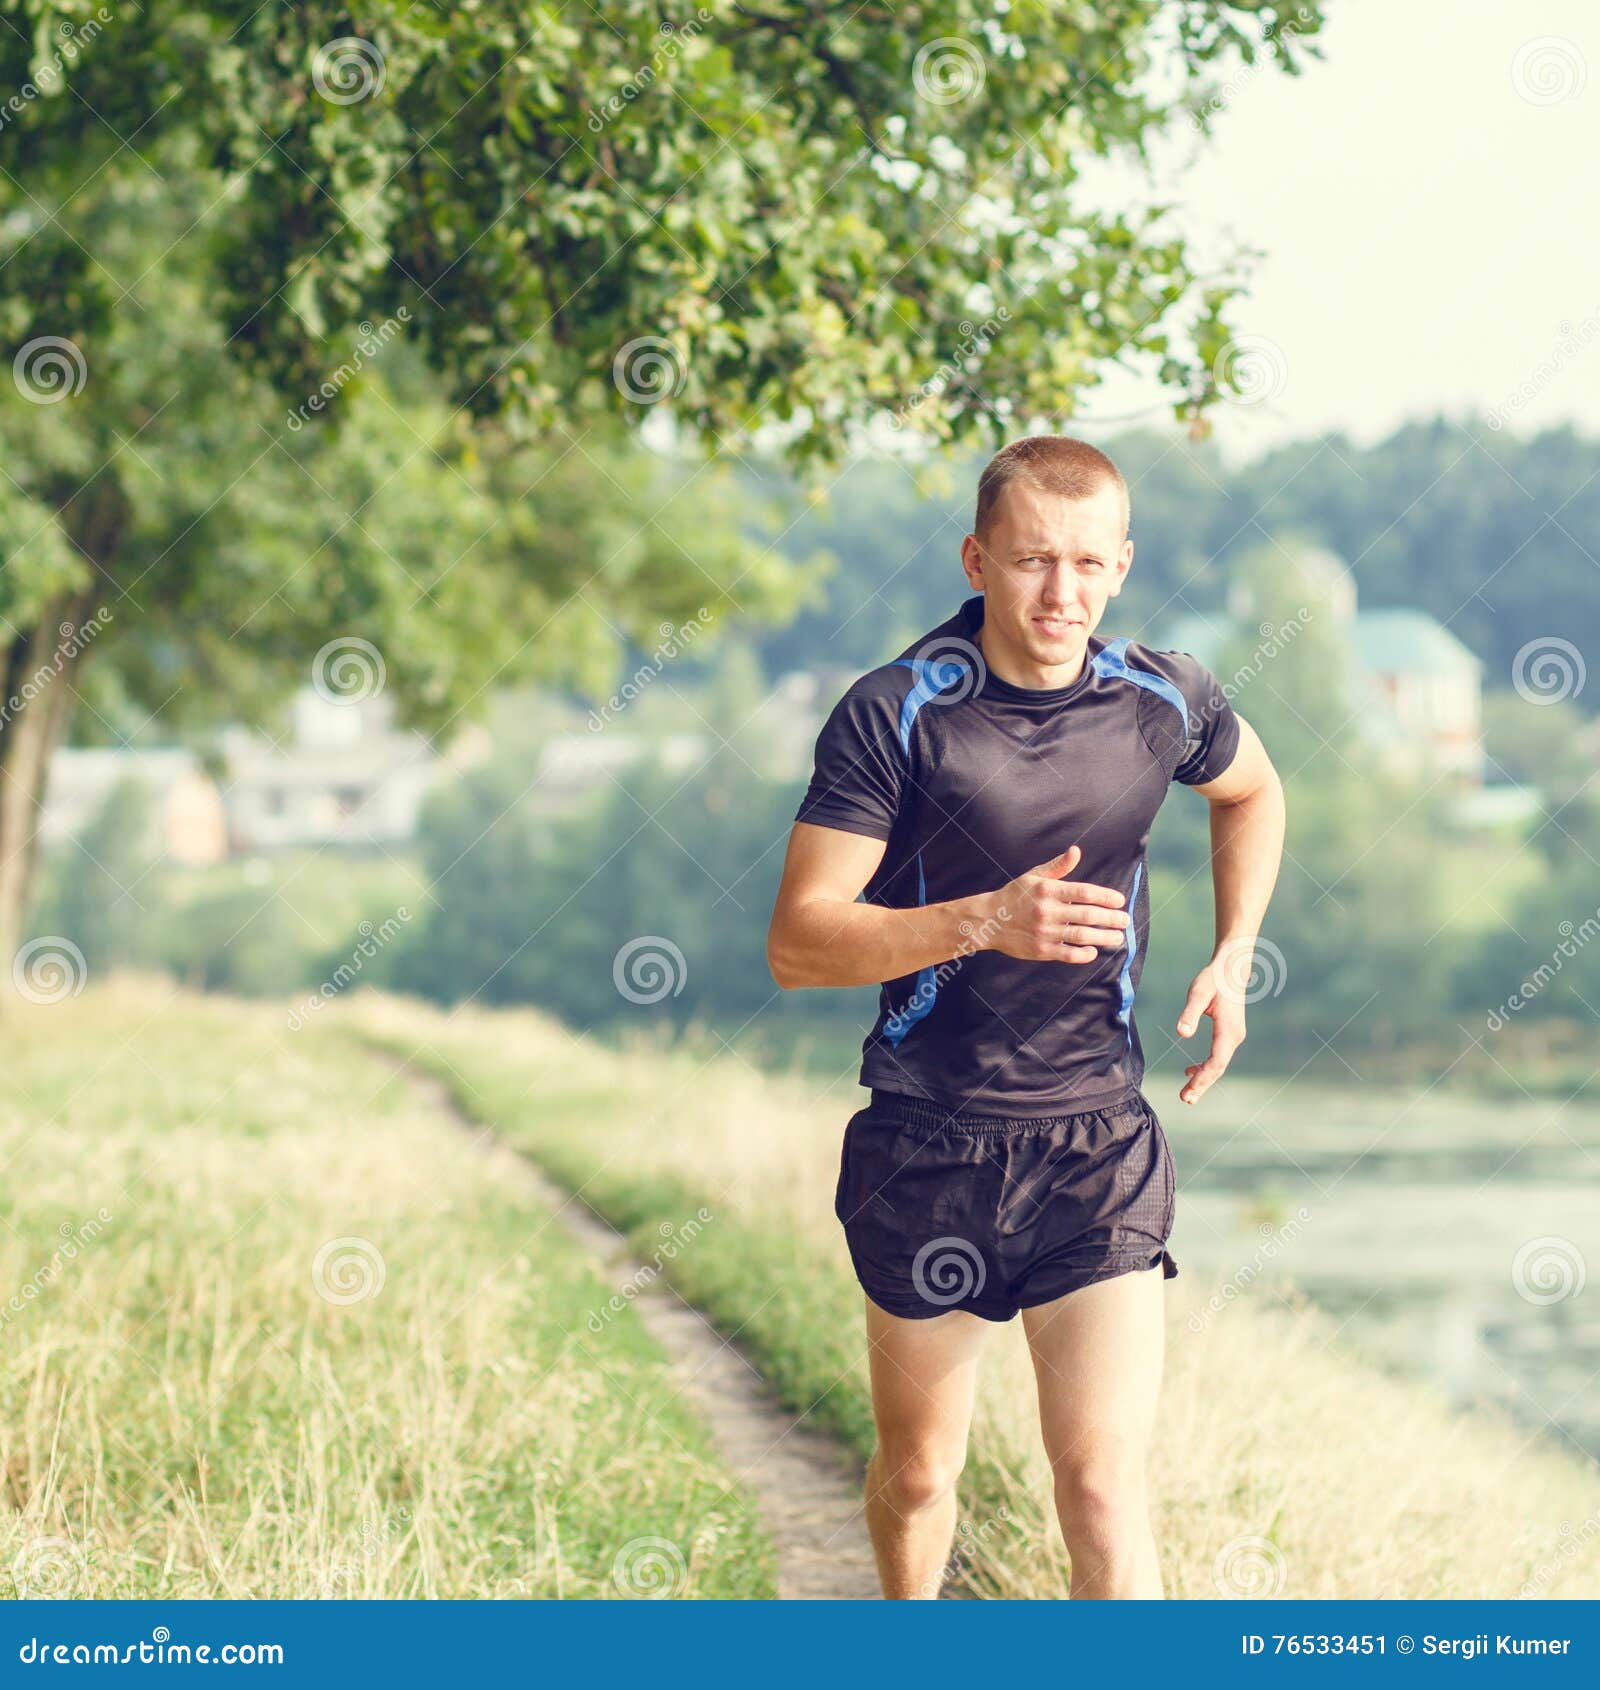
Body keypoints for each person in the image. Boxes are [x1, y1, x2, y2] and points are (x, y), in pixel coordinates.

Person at [765, 435, 1285, 1599]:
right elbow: (800, 941)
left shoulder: (1163, 695)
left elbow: (1253, 788)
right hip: (927, 1142)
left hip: (1093, 1142)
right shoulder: (893, 712)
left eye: (1089, 563)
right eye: (1033, 561)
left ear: (1122, 565)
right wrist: (981, 921)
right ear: (976, 559)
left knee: (1100, 1484)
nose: (1063, 593)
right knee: (914, 1476)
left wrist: (1235, 951)